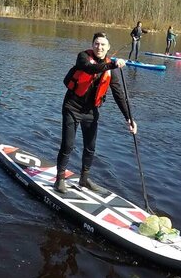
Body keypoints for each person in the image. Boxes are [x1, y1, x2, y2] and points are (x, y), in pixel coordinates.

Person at [55, 32, 137, 195]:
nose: (99, 47)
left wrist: (129, 118)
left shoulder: (110, 69)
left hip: (91, 112)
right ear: (92, 45)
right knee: (68, 145)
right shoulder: (83, 57)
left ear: (108, 48)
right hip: (72, 107)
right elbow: (89, 68)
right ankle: (60, 178)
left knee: (90, 147)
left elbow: (118, 94)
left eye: (103, 45)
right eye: (96, 44)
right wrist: (113, 64)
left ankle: (84, 179)